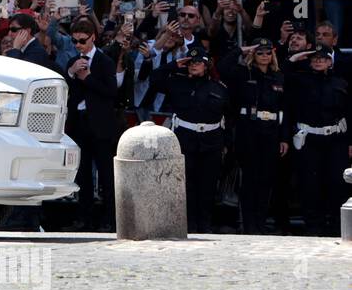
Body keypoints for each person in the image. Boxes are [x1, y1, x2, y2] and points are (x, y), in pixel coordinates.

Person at [149, 45, 229, 233]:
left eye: (198, 62)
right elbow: (154, 79)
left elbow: (228, 116)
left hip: (211, 140)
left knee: (207, 185)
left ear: (206, 65)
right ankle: (188, 224)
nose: (194, 65)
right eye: (191, 62)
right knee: (186, 184)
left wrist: (226, 143)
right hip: (185, 139)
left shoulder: (218, 87)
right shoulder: (177, 82)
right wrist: (174, 65)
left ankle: (205, 224)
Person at [219, 39, 286, 234]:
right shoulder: (243, 73)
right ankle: (249, 225)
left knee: (266, 180)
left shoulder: (278, 76)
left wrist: (283, 138)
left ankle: (260, 223)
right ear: (253, 55)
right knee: (249, 180)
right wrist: (241, 49)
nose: (264, 56)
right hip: (248, 131)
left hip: (271, 132)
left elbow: (284, 109)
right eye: (260, 53)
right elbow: (222, 67)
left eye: (267, 53)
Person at [283, 45, 350, 235]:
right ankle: (313, 227)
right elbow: (283, 71)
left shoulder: (341, 83)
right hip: (309, 141)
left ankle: (336, 227)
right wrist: (299, 56)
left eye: (323, 58)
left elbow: (349, 113)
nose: (318, 61)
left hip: (336, 141)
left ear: (330, 61)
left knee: (337, 184)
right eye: (314, 58)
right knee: (310, 185)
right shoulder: (300, 80)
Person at [63, 18, 119, 230]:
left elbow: (111, 91)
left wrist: (86, 78)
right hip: (79, 124)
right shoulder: (72, 62)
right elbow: (66, 90)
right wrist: (71, 73)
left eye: (82, 41)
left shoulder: (105, 62)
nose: (78, 45)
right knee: (82, 173)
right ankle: (84, 218)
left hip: (101, 125)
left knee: (106, 174)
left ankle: (110, 219)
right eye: (75, 41)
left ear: (92, 38)